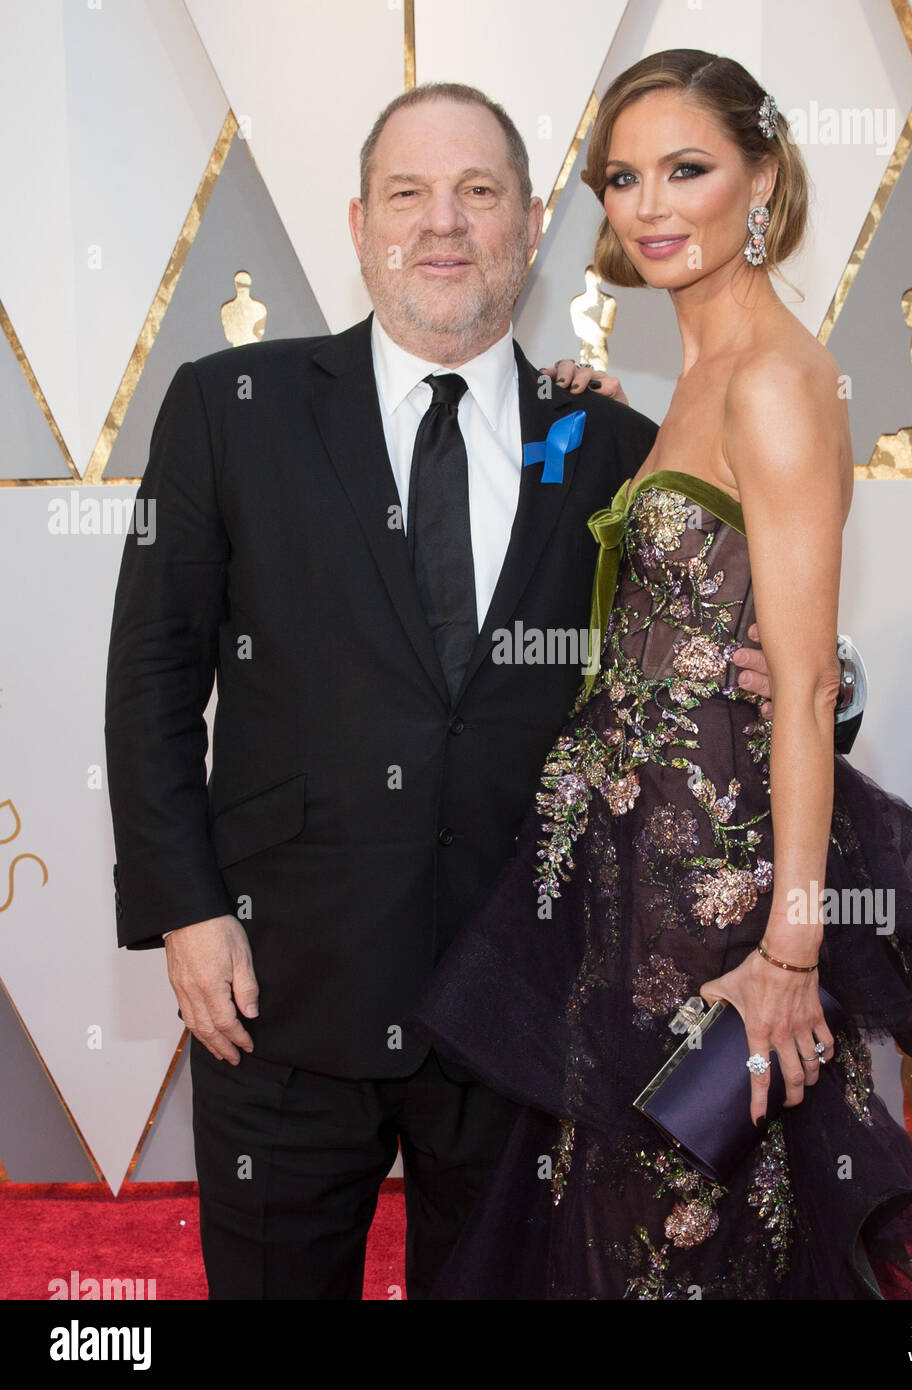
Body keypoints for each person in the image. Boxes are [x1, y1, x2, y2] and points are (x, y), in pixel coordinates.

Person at [107, 79, 838, 1301]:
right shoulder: (232, 410)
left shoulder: (615, 445)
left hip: (527, 1007)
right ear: (357, 224)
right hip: (280, 990)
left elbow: (715, 647)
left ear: (532, 221)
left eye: (478, 192)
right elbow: (151, 678)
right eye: (408, 194)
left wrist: (827, 679)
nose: (442, 224)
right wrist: (185, 911)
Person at [410, 51, 912, 1300]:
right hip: (632, 853)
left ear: (761, 177)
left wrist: (786, 947)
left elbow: (805, 680)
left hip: (713, 876)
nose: (649, 206)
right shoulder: (701, 376)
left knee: (688, 1207)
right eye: (622, 177)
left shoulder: (773, 378)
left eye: (687, 170)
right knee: (624, 1194)